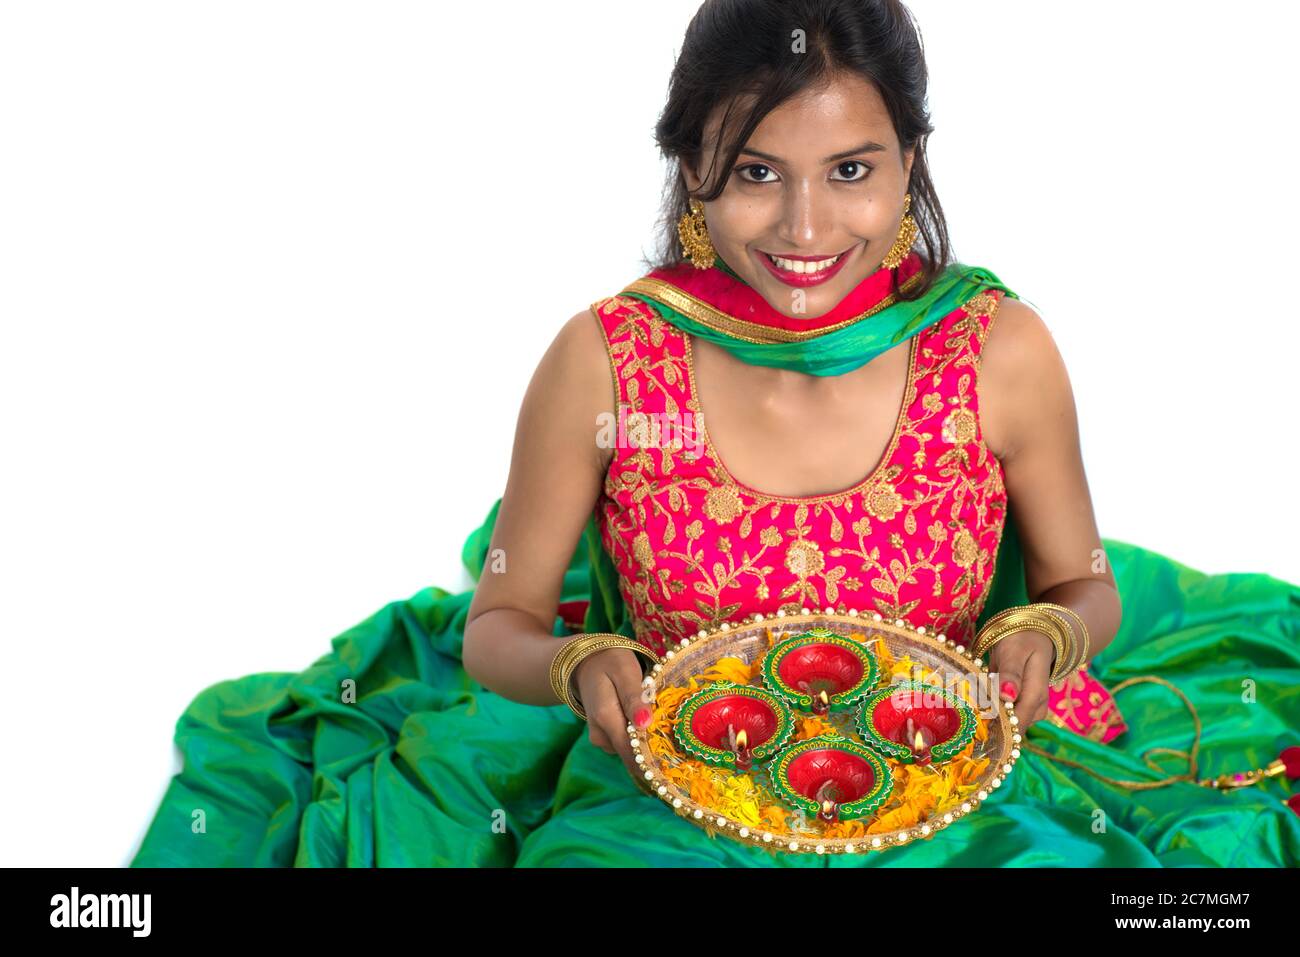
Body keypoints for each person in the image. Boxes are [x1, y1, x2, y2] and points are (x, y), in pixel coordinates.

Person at [130, 0, 1300, 867]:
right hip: (672, 799)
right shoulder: (605, 357)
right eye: (754, 172)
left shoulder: (998, 350)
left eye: (851, 170)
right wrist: (571, 661)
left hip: (960, 786)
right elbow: (502, 623)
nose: (804, 227)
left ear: (908, 168)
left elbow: (1080, 584)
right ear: (690, 167)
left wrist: (1047, 633)